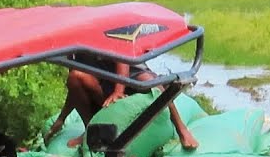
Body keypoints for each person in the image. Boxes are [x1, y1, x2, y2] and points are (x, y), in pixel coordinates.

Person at [45, 52, 199, 150]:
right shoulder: (71, 51)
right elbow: (74, 88)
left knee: (152, 83)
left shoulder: (99, 29)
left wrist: (118, 91)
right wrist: (61, 118)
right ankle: (91, 132)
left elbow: (122, 59)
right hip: (104, 85)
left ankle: (181, 129)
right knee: (75, 77)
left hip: (130, 74)